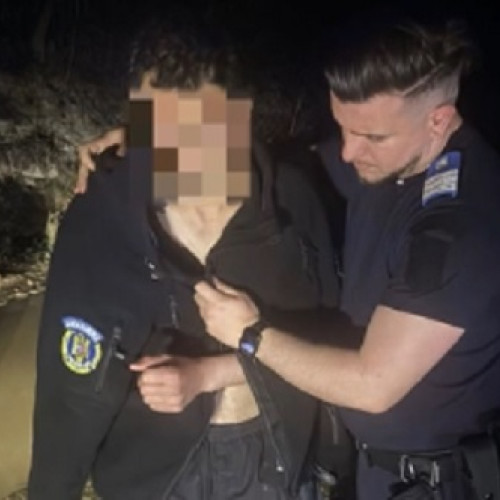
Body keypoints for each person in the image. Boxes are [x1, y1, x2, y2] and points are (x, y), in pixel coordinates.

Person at [28, 14, 350, 500]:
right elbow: (69, 387)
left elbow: (330, 336)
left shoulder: (294, 203)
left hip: (274, 460)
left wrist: (334, 462)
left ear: (236, 116)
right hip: (154, 477)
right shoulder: (100, 219)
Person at [194, 16, 500, 500]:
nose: (349, 151)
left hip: (428, 482)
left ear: (438, 120)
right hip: (370, 464)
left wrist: (250, 334)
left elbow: (371, 385)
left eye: (371, 136)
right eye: (343, 127)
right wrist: (156, 144)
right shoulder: (392, 158)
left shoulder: (461, 227)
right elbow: (284, 165)